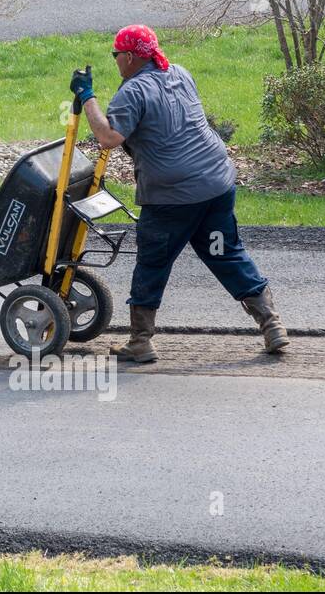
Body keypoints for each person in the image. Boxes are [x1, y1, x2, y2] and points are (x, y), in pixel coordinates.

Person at [70, 24, 289, 363]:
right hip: (216, 184)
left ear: (128, 57)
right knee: (225, 252)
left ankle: (141, 342)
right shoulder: (179, 73)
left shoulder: (133, 91)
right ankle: (272, 324)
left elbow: (109, 137)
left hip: (173, 197)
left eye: (116, 55)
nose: (115, 61)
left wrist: (87, 97)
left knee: (152, 263)